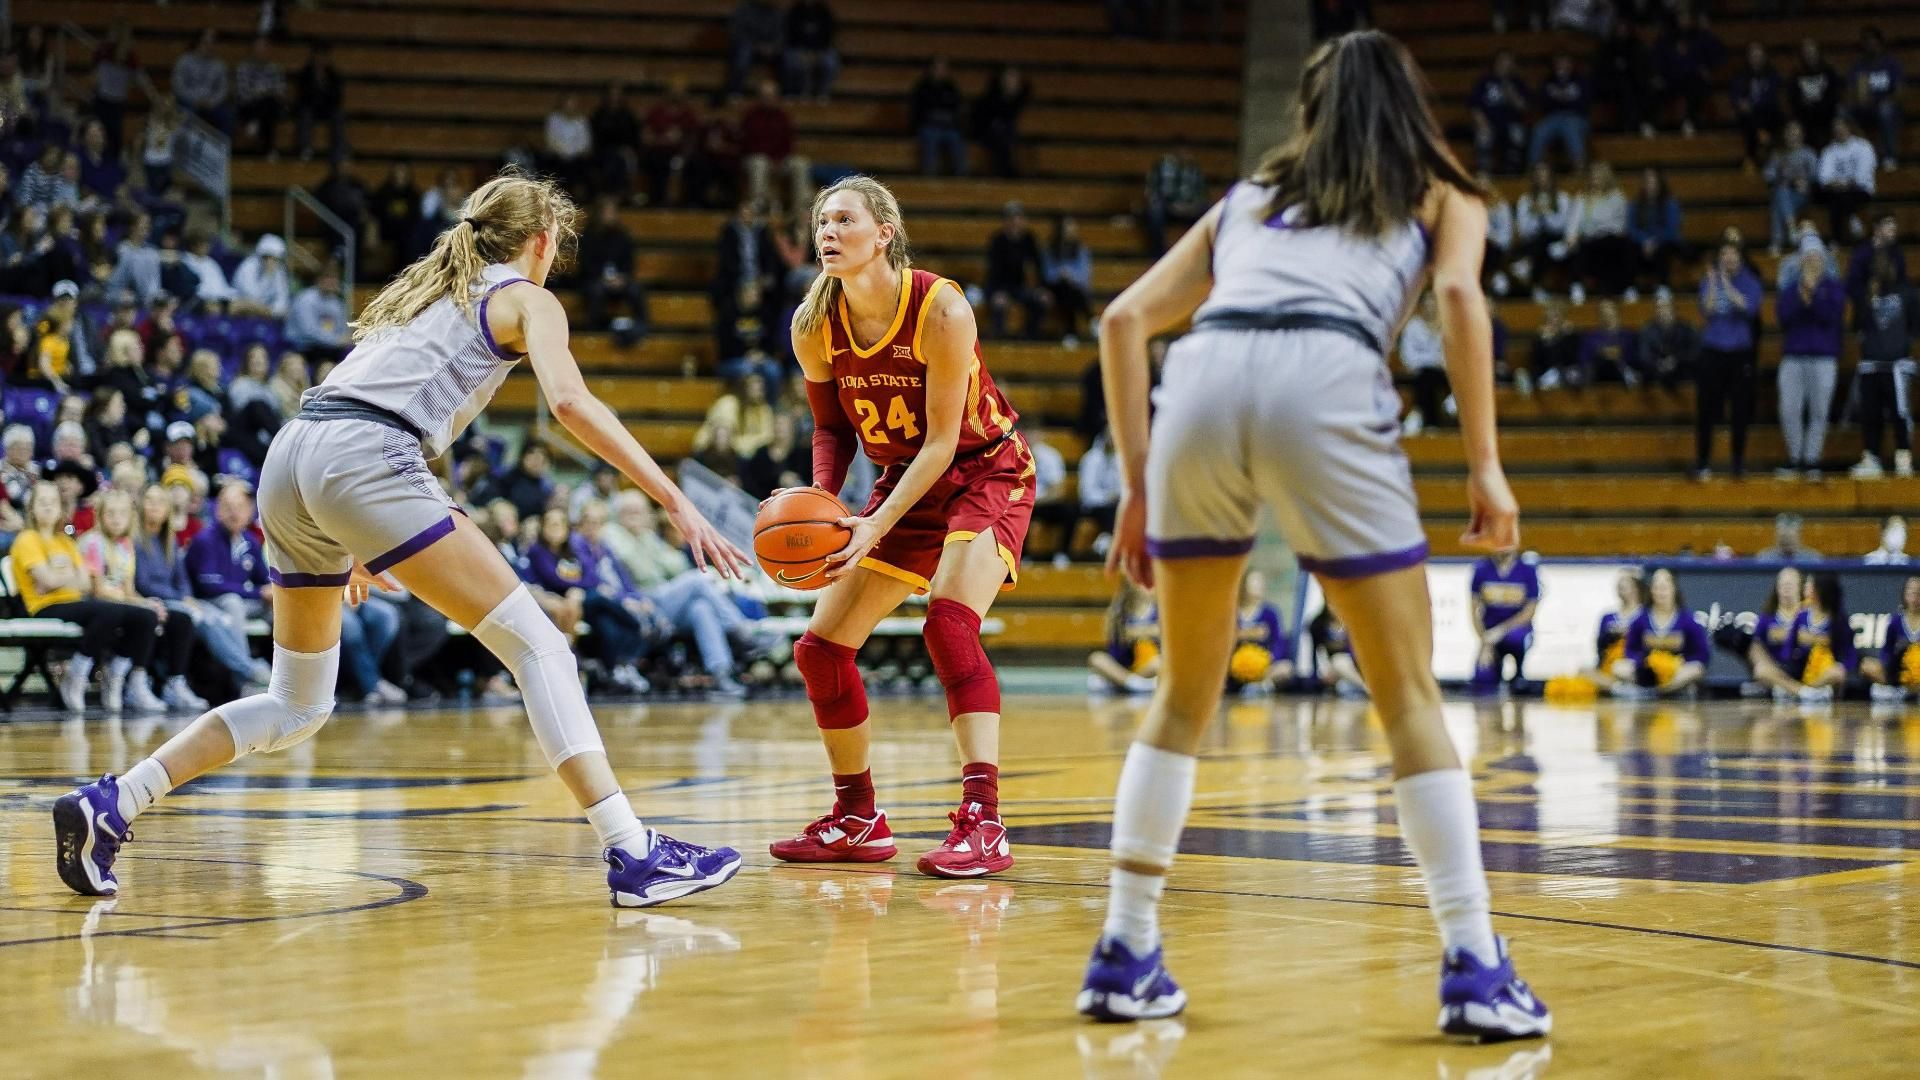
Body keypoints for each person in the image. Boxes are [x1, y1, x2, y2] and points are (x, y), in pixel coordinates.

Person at [51, 170, 748, 909]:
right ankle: (633, 852)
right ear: (543, 242)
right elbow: (570, 401)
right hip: (363, 456)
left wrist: (351, 530)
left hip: (294, 454)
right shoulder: (528, 298)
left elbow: (364, 401)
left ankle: (116, 801)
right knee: (540, 647)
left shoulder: (428, 292)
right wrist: (674, 498)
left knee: (296, 705)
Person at [1078, 32, 1547, 1038]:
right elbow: (1460, 297)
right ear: (1411, 106)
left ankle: (1124, 951)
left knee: (1182, 692)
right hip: (1327, 374)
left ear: (1311, 109)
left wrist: (1134, 482)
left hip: (1201, 380)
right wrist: (1484, 465)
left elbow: (1123, 320)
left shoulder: (1248, 199)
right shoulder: (1440, 193)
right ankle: (1473, 962)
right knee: (1407, 693)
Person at [770, 175, 1040, 883]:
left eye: (845, 220)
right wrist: (826, 508)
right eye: (822, 221)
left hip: (985, 469)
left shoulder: (940, 307)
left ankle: (984, 824)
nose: (828, 231)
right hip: (904, 481)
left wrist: (872, 522)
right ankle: (857, 817)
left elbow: (943, 443)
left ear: (884, 233)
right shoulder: (813, 324)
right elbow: (831, 428)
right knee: (821, 650)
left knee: (948, 623)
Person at [576, 499, 748, 697]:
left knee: (700, 608)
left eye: (639, 511)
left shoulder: (647, 536)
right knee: (698, 579)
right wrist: (643, 546)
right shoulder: (613, 535)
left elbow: (677, 565)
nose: (635, 516)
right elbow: (640, 572)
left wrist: (654, 543)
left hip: (657, 598)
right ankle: (740, 630)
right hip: (646, 598)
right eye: (629, 511)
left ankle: (720, 673)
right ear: (617, 516)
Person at [79, 486, 207, 710]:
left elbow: (136, 587)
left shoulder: (134, 544)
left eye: (121, 514)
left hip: (129, 601)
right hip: (105, 604)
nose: (155, 506)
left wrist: (156, 601)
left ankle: (173, 683)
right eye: (149, 500)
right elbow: (118, 587)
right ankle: (134, 681)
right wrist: (147, 602)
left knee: (180, 618)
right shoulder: (108, 542)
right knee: (151, 615)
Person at [136, 482, 266, 693]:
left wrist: (185, 596)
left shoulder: (169, 539)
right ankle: (250, 672)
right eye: (150, 501)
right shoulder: (138, 540)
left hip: (184, 600)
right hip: (155, 601)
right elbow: (144, 583)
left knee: (218, 617)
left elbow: (182, 578)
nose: (154, 506)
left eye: (160, 501)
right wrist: (182, 598)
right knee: (210, 615)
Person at [1695, 242, 1762, 480]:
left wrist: (1727, 285)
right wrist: (1715, 284)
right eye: (1724, 254)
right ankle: (1702, 462)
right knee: (1706, 409)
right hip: (1713, 349)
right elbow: (1708, 309)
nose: (1729, 258)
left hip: (1739, 352)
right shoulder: (1709, 281)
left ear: (1740, 258)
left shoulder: (1750, 282)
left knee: (1740, 410)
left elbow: (1749, 309)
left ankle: (1737, 462)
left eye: (1733, 254)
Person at [1775, 252, 1845, 479]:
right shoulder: (1790, 287)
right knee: (1789, 409)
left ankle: (1812, 460)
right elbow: (1784, 317)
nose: (1812, 263)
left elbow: (1830, 316)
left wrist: (1813, 294)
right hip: (1793, 356)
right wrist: (1801, 294)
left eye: (1817, 259)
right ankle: (1796, 459)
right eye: (1808, 259)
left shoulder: (1833, 288)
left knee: (1819, 411)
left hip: (1824, 357)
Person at [1852, 257, 1918, 479]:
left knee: (1899, 413)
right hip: (1871, 365)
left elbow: (1914, 325)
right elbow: (1857, 325)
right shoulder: (1866, 296)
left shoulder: (1907, 294)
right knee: (1870, 413)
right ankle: (1872, 457)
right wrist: (1869, 298)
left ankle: (1903, 456)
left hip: (1896, 365)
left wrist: (1903, 347)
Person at [1753, 572, 1854, 703]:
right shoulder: (1801, 615)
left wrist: (1819, 642)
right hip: (1797, 668)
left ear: (1819, 590)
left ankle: (1801, 690)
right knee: (1762, 671)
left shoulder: (1838, 619)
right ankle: (1803, 692)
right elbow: (1788, 647)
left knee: (1837, 673)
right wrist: (1786, 663)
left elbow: (1849, 652)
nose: (1805, 587)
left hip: (1821, 671)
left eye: (1809, 584)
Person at [1611, 568, 1708, 699]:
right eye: (1656, 588)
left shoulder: (1687, 620)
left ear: (1674, 589)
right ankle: (1667, 690)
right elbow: (1630, 650)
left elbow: (1702, 654)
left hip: (1676, 671)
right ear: (1651, 591)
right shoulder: (1641, 619)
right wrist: (1644, 663)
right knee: (1618, 667)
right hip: (1647, 672)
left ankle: (1655, 692)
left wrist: (1677, 664)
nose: (1660, 592)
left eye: (1664, 588)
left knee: (1696, 670)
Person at [577, 195, 650, 338]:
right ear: (599, 214)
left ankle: (642, 325)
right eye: (607, 212)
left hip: (619, 280)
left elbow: (629, 263)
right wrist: (602, 279)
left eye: (613, 212)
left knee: (635, 290)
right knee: (595, 291)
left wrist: (622, 277)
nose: (610, 216)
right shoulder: (589, 236)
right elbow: (586, 265)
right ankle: (595, 330)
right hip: (595, 280)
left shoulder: (623, 236)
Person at [1470, 549, 1539, 692]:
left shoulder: (1527, 570)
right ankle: (1495, 670)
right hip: (1489, 635)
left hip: (1517, 632)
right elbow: (1474, 611)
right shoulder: (1481, 569)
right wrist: (1485, 642)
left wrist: (1501, 630)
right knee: (1482, 680)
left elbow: (1529, 612)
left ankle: (1518, 672)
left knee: (1515, 638)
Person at [1564, 161, 1632, 299]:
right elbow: (1573, 223)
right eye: (1593, 176)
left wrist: (1600, 229)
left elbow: (1620, 225)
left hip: (1611, 239)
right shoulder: (1582, 198)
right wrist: (1571, 236)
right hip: (1589, 241)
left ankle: (1626, 287)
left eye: (1599, 176)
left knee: (1618, 245)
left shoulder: (1616, 197)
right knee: (1580, 246)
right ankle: (1577, 285)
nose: (1595, 179)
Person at [1650, 10, 1721, 137]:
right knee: (1655, 89)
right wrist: (1658, 75)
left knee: (1697, 87)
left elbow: (1715, 56)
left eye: (1687, 17)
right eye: (1682, 17)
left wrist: (1708, 32)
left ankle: (1691, 122)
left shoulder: (1700, 36)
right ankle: (1653, 125)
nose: (1684, 20)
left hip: (1693, 78)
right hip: (1671, 78)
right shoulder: (1668, 37)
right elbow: (1658, 58)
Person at [984, 202, 1049, 339]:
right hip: (999, 286)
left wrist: (1041, 288)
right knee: (999, 304)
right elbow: (993, 271)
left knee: (1040, 300)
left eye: (1018, 218)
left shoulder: (1029, 240)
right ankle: (1000, 339)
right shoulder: (997, 241)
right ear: (1005, 221)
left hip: (1020, 286)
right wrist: (997, 292)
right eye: (1011, 218)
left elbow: (1038, 266)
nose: (1015, 222)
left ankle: (1030, 336)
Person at [1088, 579, 1159, 693]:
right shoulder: (1119, 611)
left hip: (1143, 668)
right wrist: (1140, 632)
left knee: (1158, 662)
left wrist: (1141, 632)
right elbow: (1116, 635)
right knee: (1096, 658)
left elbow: (1160, 632)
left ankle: (1122, 684)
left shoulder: (1159, 610)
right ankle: (1132, 684)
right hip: (1121, 666)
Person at [1511, 163, 1570, 298]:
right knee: (1539, 243)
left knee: (1543, 241)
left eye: (1545, 176)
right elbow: (1524, 229)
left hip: (1556, 239)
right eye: (1539, 176)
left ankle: (1529, 271)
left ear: (1551, 178)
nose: (1542, 180)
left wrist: (1546, 213)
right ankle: (1537, 286)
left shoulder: (1562, 198)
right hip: (1533, 241)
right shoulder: (1525, 200)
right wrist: (1535, 215)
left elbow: (1562, 225)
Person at [1850, 26, 1903, 171]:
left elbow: (1899, 92)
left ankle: (1889, 157)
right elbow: (1857, 93)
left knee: (1885, 110)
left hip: (1888, 107)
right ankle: (1858, 157)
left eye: (1872, 41)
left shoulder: (1891, 64)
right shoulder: (1860, 66)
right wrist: (1862, 99)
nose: (1870, 45)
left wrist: (1887, 100)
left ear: (1880, 43)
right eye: (1866, 41)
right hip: (1867, 108)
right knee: (1841, 112)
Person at [1229, 569, 1291, 693]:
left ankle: (1262, 686)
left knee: (1286, 668)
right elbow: (1224, 641)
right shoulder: (1233, 612)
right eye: (1254, 582)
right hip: (1237, 665)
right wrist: (1245, 634)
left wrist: (1270, 659)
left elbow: (1279, 641)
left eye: (1260, 582)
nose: (1258, 586)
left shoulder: (1270, 613)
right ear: (1244, 584)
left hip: (1263, 665)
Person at [1816, 116, 1876, 242]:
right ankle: (1851, 220)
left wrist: (1845, 183)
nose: (1839, 130)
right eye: (1836, 128)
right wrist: (1837, 184)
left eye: (1841, 127)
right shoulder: (1829, 150)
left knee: (1842, 198)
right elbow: (1824, 177)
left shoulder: (1863, 146)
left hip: (1860, 190)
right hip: (1836, 191)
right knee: (1836, 198)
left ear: (1849, 127)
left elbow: (1863, 174)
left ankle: (1838, 238)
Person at [1142, 143, 1208, 256]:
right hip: (1168, 208)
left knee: (1209, 211)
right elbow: (1151, 191)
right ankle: (1158, 254)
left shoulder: (1194, 170)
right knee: (1155, 211)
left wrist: (1192, 206)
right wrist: (1172, 205)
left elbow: (1202, 193)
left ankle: (1204, 253)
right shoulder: (1161, 167)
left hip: (1190, 208)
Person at [1470, 50, 1529, 174]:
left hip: (1511, 123)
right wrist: (1482, 123)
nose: (1505, 64)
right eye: (1503, 61)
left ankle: (1513, 171)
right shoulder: (1485, 82)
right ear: (1496, 63)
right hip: (1488, 123)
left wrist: (1511, 93)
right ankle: (1484, 171)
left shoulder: (1517, 82)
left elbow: (1523, 108)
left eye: (1509, 62)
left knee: (1518, 134)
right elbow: (1475, 106)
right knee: (1483, 135)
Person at [1764, 122, 1818, 256]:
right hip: (1784, 192)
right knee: (1780, 195)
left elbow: (1817, 175)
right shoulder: (1779, 154)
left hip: (1803, 195)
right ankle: (1791, 229)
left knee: (1778, 199)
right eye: (1789, 133)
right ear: (1785, 136)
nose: (1792, 136)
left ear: (1801, 135)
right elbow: (1768, 174)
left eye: (1795, 133)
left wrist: (1807, 182)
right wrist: (1778, 175)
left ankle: (1777, 242)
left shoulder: (1808, 153)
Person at [1528, 53, 1590, 171]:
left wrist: (1562, 98)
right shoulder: (1548, 80)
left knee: (1570, 128)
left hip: (1576, 117)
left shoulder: (1580, 80)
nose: (1562, 65)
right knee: (1539, 130)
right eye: (1559, 62)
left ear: (1571, 64)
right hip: (1553, 117)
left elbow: (1584, 103)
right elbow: (1543, 103)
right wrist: (1562, 98)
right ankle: (1533, 169)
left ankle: (1579, 168)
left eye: (1565, 62)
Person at [909, 56, 968, 177]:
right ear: (931, 69)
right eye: (938, 68)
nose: (940, 71)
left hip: (949, 127)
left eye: (943, 68)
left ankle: (961, 176)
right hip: (929, 126)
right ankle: (929, 175)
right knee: (930, 136)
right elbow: (916, 111)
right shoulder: (922, 88)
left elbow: (958, 109)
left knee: (956, 137)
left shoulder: (952, 88)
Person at [1398, 291, 1446, 434]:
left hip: (1444, 373)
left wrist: (1435, 362)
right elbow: (1408, 356)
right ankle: (1431, 424)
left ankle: (1419, 415)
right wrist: (1431, 361)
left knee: (1430, 377)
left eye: (1433, 302)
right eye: (1427, 303)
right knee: (1426, 377)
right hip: (1419, 372)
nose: (1430, 306)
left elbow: (1449, 355)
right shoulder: (1413, 327)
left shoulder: (1447, 325)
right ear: (1421, 306)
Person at [1866, 575, 1920, 703]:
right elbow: (1886, 650)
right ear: (1904, 594)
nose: (1915, 598)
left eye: (1919, 593)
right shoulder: (1896, 620)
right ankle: (1902, 690)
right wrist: (1887, 665)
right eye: (1911, 593)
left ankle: (1906, 691)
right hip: (1899, 672)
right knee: (1867, 666)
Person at [1626, 167, 1680, 292]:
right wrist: (1644, 241)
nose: (1651, 186)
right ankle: (1631, 287)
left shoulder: (1670, 203)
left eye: (1654, 182)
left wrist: (1654, 241)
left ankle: (1663, 286)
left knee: (1665, 248)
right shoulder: (1635, 204)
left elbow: (1671, 229)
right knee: (1628, 246)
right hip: (1642, 244)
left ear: (1660, 184)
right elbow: (1631, 228)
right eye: (1648, 183)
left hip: (1663, 242)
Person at [1731, 43, 1785, 168]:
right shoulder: (1741, 74)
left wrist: (1752, 104)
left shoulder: (1771, 74)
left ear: (1764, 57)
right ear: (1748, 57)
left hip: (1767, 112)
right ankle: (1756, 145)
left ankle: (1760, 144)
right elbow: (1735, 93)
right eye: (1754, 56)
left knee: (1770, 114)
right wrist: (1739, 102)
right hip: (1748, 115)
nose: (1756, 59)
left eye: (1759, 56)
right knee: (1748, 120)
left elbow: (1771, 95)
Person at [1044, 215, 1094, 345]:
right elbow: (1047, 274)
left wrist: (1071, 276)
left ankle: (1070, 332)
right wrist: (1059, 274)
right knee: (1066, 290)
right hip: (1056, 288)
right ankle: (1091, 319)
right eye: (1066, 228)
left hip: (1074, 288)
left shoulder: (1081, 250)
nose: (1069, 232)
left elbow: (1084, 276)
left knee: (1070, 292)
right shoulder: (1050, 250)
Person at [973, 65, 1030, 179]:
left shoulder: (1021, 97)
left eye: (1014, 78)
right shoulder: (992, 96)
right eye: (1008, 77)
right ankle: (1006, 172)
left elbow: (1012, 115)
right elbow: (985, 117)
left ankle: (1008, 172)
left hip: (1008, 133)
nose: (1011, 81)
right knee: (1002, 138)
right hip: (989, 133)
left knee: (1007, 134)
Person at [293, 42, 347, 162]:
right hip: (310, 107)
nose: (321, 60)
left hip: (327, 108)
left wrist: (324, 88)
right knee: (305, 114)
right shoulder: (305, 74)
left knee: (338, 115)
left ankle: (338, 151)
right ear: (313, 57)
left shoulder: (334, 76)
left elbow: (338, 98)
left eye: (324, 56)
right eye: (318, 56)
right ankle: (305, 149)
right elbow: (302, 96)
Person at [288, 264, 352, 364]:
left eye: (335, 279)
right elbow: (309, 331)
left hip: (327, 347)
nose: (332, 283)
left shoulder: (336, 302)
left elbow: (342, 328)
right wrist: (336, 341)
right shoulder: (305, 299)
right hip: (303, 347)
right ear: (319, 280)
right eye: (328, 278)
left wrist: (344, 338)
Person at [170, 29, 231, 133]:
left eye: (213, 43)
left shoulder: (220, 65)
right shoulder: (184, 61)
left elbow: (223, 89)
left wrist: (212, 102)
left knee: (228, 115)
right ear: (197, 43)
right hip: (189, 102)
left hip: (212, 104)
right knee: (185, 113)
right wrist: (195, 100)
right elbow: (178, 86)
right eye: (206, 43)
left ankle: (222, 148)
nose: (209, 47)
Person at [1636, 289, 1698, 390]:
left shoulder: (1686, 328)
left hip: (1681, 371)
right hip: (1655, 372)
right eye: (1659, 308)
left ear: (1673, 309)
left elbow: (1694, 352)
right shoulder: (1647, 330)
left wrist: (1675, 361)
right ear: (1655, 311)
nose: (1663, 311)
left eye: (1666, 307)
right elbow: (1644, 356)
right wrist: (1659, 364)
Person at [234, 36, 285, 157]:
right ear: (253, 50)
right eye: (259, 48)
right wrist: (263, 93)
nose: (262, 51)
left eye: (265, 48)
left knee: (269, 104)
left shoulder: (275, 69)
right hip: (248, 107)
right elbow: (243, 94)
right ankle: (269, 149)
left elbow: (280, 91)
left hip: (269, 105)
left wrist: (262, 93)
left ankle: (256, 122)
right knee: (267, 105)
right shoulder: (244, 67)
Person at [1788, 38, 1840, 151]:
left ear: (1818, 53)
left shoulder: (1828, 72)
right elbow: (1793, 98)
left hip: (1826, 114)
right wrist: (1805, 104)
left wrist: (1819, 105)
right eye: (1807, 53)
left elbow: (1834, 96)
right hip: (1804, 115)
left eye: (1812, 52)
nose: (1810, 55)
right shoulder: (1796, 75)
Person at [726, 0, 786, 99]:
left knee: (789, 58)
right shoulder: (743, 10)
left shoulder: (777, 12)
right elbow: (737, 33)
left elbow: (781, 36)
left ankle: (786, 93)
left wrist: (773, 46)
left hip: (770, 49)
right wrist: (757, 46)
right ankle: (735, 92)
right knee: (742, 58)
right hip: (749, 47)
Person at [1593, 569, 1644, 686]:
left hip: (1634, 664)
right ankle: (1617, 687)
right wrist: (1610, 635)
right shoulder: (1607, 617)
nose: (1620, 586)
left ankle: (1630, 684)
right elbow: (1599, 646)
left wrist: (1628, 632)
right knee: (1583, 671)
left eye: (1625, 583)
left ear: (1636, 587)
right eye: (1618, 584)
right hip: (1609, 664)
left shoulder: (1644, 615)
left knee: (1622, 669)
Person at [784, 0, 839, 100]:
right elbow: (790, 35)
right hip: (798, 49)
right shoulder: (795, 11)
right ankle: (794, 93)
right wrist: (802, 53)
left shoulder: (824, 11)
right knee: (792, 61)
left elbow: (829, 34)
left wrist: (817, 53)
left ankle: (823, 94)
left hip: (821, 49)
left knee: (830, 62)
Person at [1307, 604, 1365, 698]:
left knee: (1341, 666)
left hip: (1351, 666)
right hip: (1331, 667)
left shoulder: (1352, 622)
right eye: (1332, 604)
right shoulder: (1318, 625)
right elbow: (1314, 654)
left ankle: (1364, 688)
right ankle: (1362, 688)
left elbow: (1356, 651)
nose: (1335, 608)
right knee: (1338, 664)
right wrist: (1317, 677)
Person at [1579, 299, 1635, 384]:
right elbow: (1583, 358)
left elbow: (1633, 357)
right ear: (1599, 315)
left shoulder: (1627, 335)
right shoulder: (1591, 336)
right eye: (1603, 312)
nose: (1607, 315)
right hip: (1598, 374)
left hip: (1622, 373)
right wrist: (1601, 352)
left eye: (1609, 311)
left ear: (1616, 313)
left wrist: (1618, 353)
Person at [1756, 511, 1823, 561]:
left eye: (1791, 537)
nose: (1786, 542)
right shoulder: (1764, 559)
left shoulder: (1813, 559)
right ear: (1775, 535)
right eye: (1783, 537)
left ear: (1800, 535)